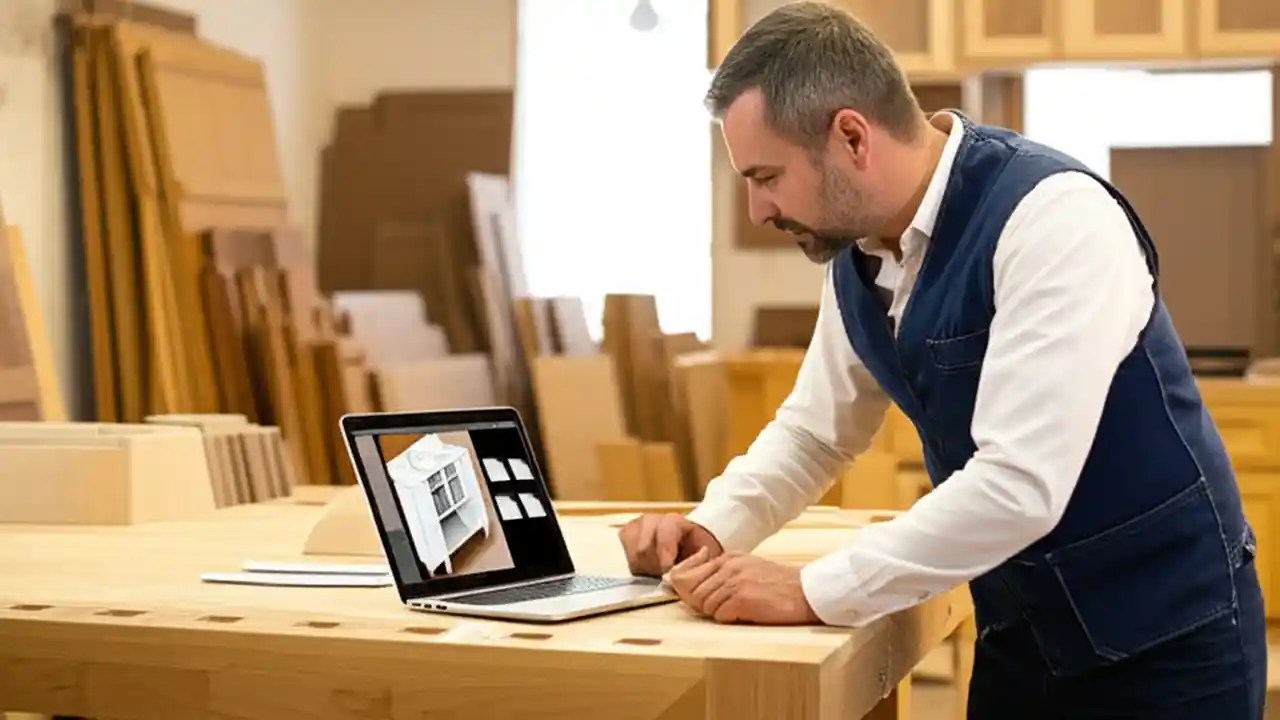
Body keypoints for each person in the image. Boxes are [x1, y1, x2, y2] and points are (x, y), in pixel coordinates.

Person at [616, 2, 1266, 717]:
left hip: (1166, 647)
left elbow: (1019, 483)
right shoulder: (858, 250)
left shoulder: (1053, 219)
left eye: (766, 177)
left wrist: (810, 589)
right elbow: (815, 433)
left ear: (852, 138)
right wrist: (711, 530)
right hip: (1024, 638)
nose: (756, 211)